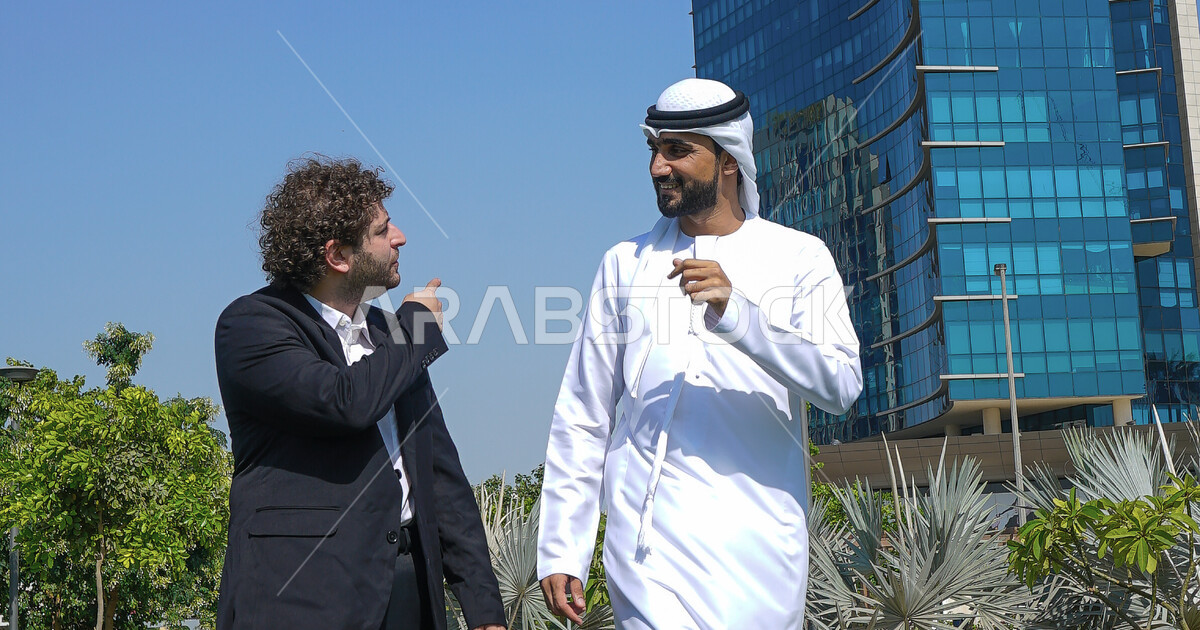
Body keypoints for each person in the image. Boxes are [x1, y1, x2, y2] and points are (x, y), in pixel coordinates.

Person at [537, 78, 863, 629]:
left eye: (677, 150)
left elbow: (841, 386)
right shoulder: (625, 262)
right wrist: (563, 545)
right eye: (654, 150)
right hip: (644, 551)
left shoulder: (799, 257)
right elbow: (583, 414)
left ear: (729, 160)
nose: (657, 167)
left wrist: (741, 315)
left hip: (757, 552)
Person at [214, 156, 505, 630]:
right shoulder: (252, 326)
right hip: (305, 599)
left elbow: (440, 475)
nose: (400, 237)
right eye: (382, 229)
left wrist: (485, 611)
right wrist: (418, 327)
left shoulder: (390, 336)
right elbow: (345, 402)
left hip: (411, 591)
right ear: (338, 256)